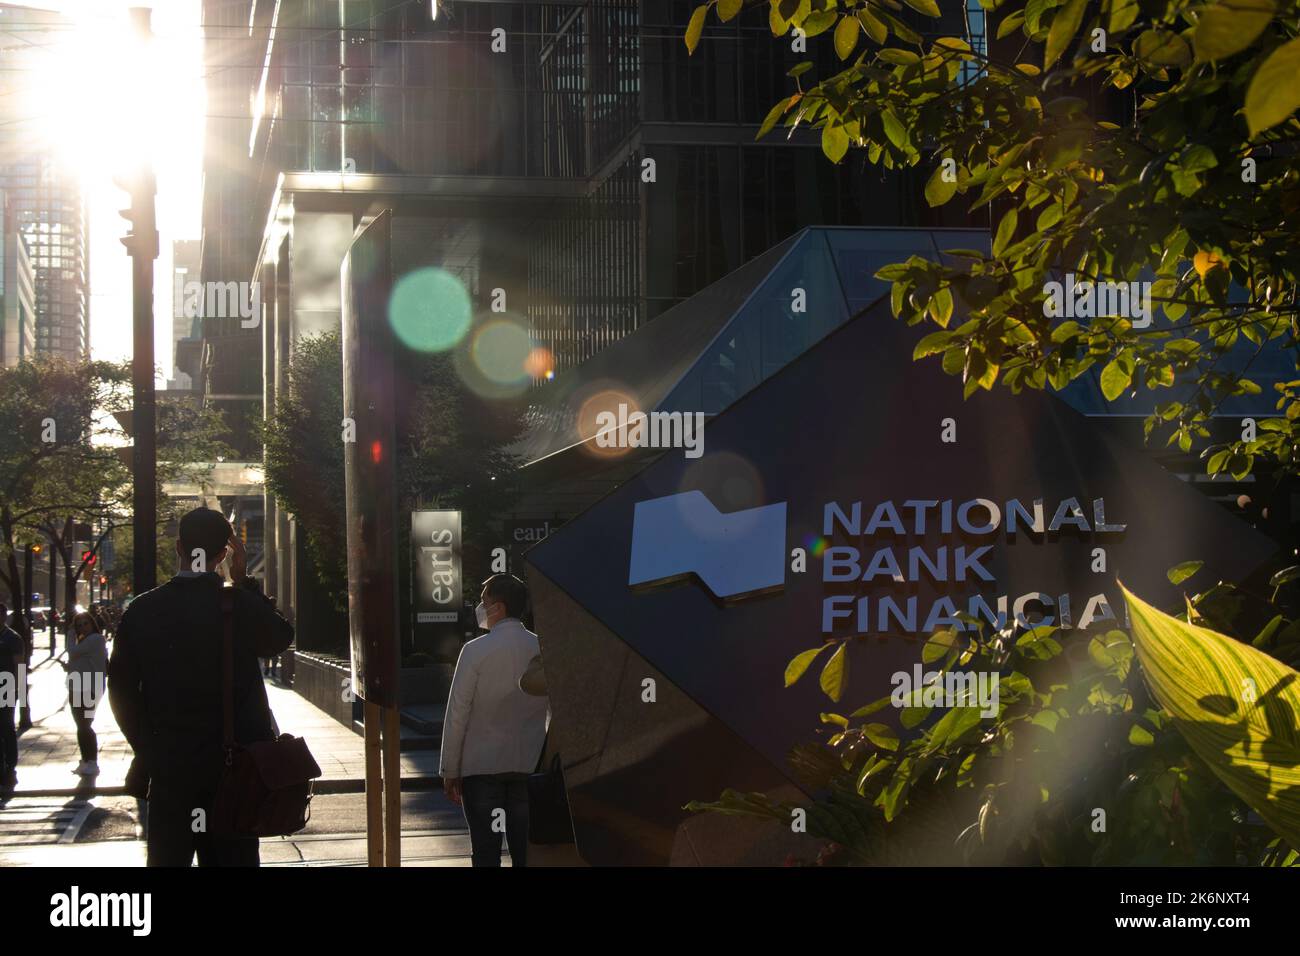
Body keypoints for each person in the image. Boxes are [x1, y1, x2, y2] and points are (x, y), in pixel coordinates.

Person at [108, 507, 294, 867]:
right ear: (224, 554)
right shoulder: (238, 605)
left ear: (179, 547)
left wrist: (150, 750)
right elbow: (279, 638)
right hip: (233, 772)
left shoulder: (143, 611)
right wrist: (244, 583)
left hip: (171, 773)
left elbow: (121, 693)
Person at [439, 574, 548, 868]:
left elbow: (458, 712)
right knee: (528, 855)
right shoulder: (543, 649)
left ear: (498, 608)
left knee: (485, 854)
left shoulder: (475, 652)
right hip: (530, 764)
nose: (480, 607)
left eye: (484, 602)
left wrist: (450, 768)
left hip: (481, 767)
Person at [64, 611, 108, 776]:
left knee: (84, 724)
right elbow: (79, 659)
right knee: (80, 724)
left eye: (85, 624)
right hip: (77, 685)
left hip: (90, 687)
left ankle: (92, 761)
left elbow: (72, 651)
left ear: (93, 624)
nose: (82, 627)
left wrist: (70, 633)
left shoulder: (96, 639)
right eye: (79, 625)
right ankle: (85, 760)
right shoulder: (84, 641)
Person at [0, 603, 25, 790]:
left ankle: (10, 768)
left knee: (7, 727)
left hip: (6, 686)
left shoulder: (12, 638)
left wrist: (18, 688)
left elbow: (19, 665)